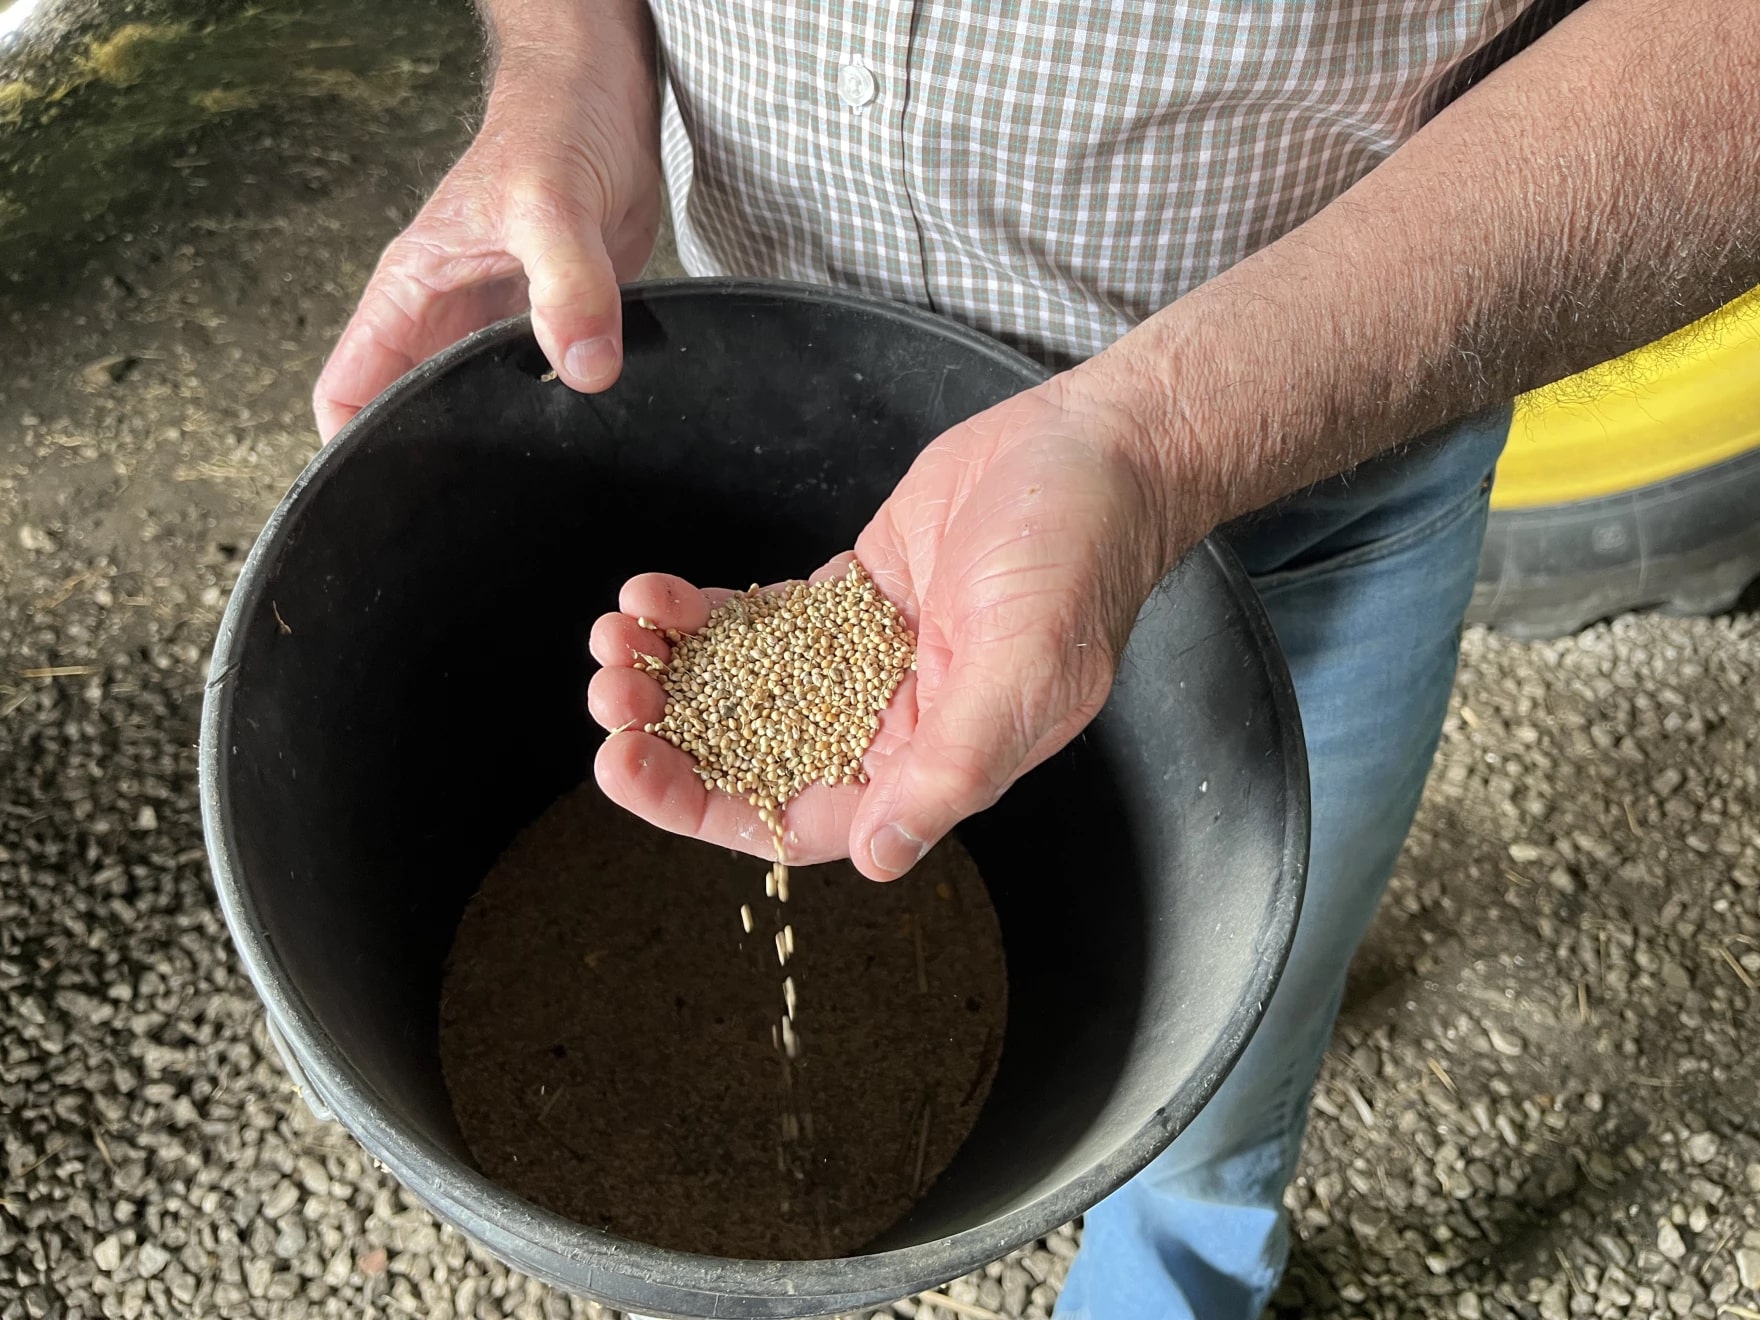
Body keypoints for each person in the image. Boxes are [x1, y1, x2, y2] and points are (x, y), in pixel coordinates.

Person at [313, 1, 1759, 1314]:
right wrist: (566, 73)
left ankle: (1182, 1280)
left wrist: (1153, 440)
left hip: (1304, 479)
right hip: (795, 417)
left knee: (1225, 1056)